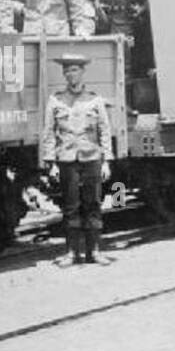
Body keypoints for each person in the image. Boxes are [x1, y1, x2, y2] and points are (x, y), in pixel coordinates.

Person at [41, 54, 113, 266]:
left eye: (75, 70)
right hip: (66, 160)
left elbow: (104, 131)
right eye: (68, 71)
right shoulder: (56, 100)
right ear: (64, 74)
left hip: (92, 157)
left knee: (93, 204)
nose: (71, 74)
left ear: (82, 72)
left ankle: (95, 252)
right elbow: (49, 132)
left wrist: (107, 160)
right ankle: (72, 253)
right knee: (71, 206)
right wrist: (51, 162)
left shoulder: (95, 99)